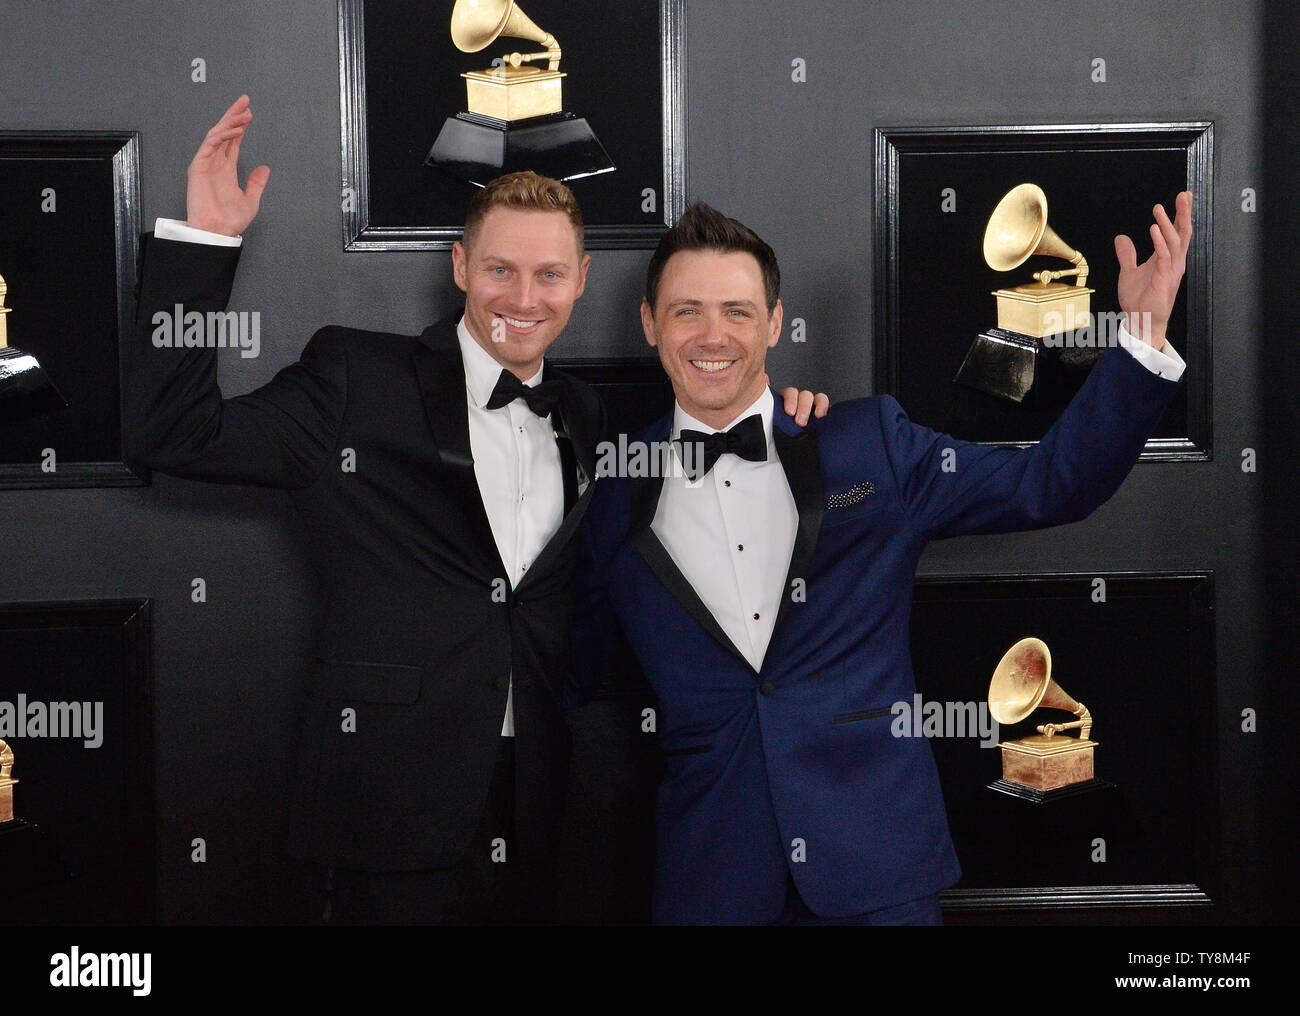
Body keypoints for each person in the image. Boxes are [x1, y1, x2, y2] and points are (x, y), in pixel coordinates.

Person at [125, 96, 823, 924]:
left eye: (549, 274)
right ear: (460, 267)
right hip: (385, 809)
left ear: (582, 281)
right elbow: (172, 433)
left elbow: (711, 410)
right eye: (500, 270)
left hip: (551, 815)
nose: (523, 296)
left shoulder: (592, 420)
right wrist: (209, 241)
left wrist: (787, 417)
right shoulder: (355, 377)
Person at [570, 197, 1191, 924]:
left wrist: (1141, 337)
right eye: (687, 312)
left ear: (774, 323)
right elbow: (579, 677)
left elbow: (1051, 483)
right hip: (708, 880)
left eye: (738, 312)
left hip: (877, 866)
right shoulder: (610, 494)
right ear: (650, 323)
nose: (714, 335)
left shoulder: (871, 445)